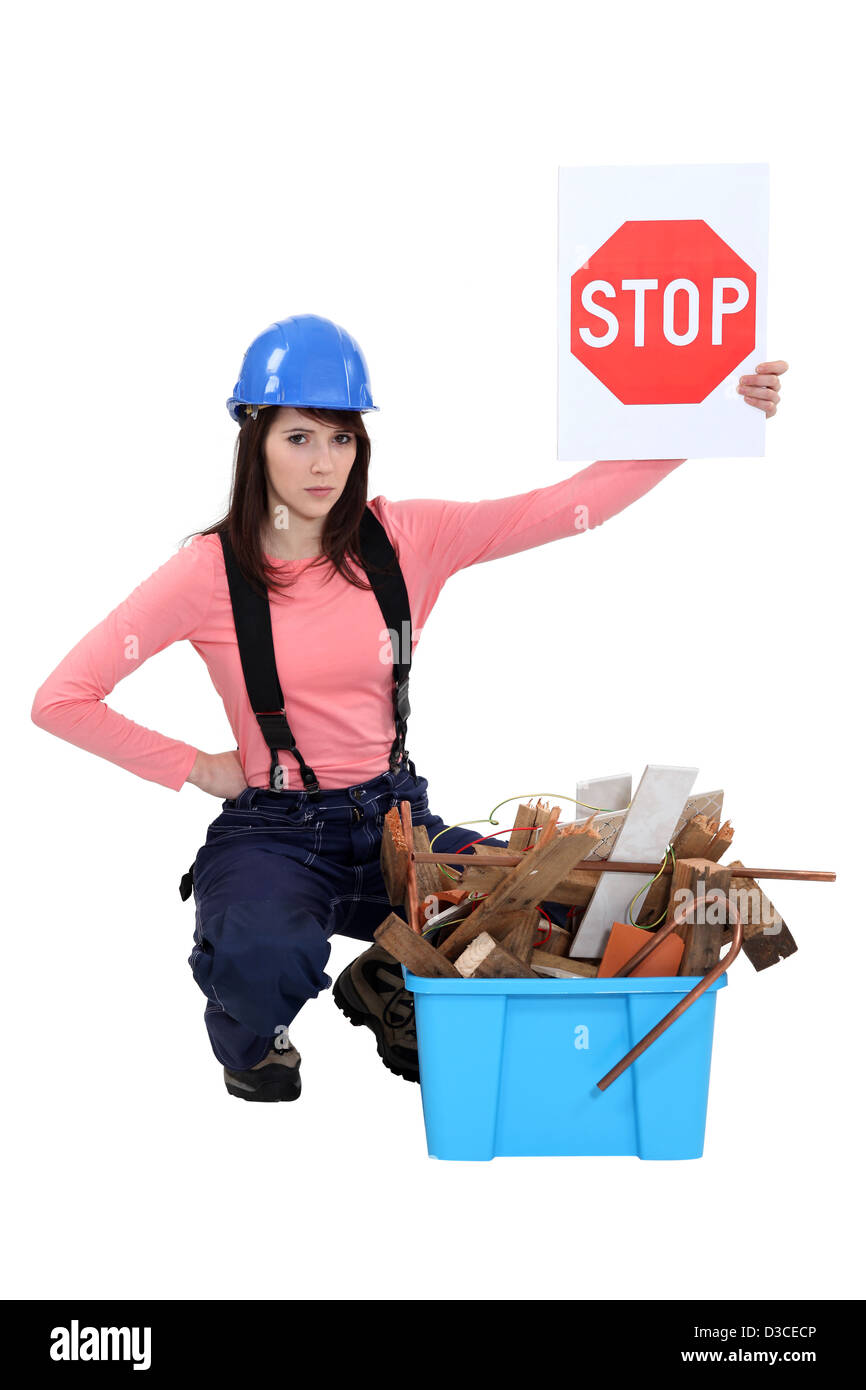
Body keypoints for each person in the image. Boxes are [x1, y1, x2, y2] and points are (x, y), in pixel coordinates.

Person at [30, 313, 788, 1103]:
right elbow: (62, 699)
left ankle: (386, 971)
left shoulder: (405, 537)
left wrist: (713, 418)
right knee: (261, 954)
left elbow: (574, 505)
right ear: (253, 440)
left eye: (343, 438)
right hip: (278, 832)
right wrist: (197, 768)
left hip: (396, 818)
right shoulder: (207, 571)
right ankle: (256, 1039)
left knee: (545, 911)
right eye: (299, 438)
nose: (325, 462)